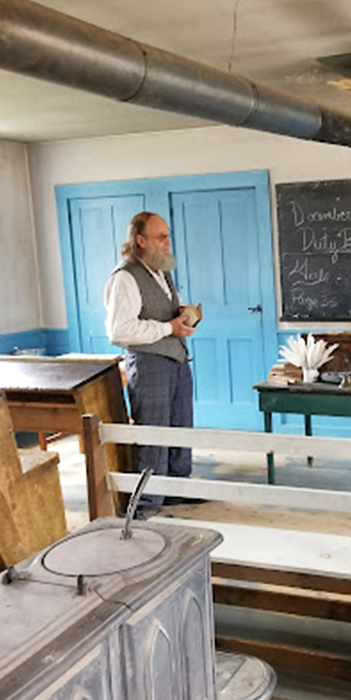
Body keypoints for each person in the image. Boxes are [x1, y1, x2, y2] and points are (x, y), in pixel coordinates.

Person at [104, 211, 197, 511]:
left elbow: (165, 307)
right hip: (149, 363)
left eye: (168, 235)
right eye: (160, 237)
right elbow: (119, 330)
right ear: (140, 240)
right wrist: (169, 328)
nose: (168, 242)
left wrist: (183, 314)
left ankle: (176, 490)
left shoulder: (161, 271)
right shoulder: (125, 277)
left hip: (176, 359)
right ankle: (146, 502)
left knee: (180, 427)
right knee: (152, 432)